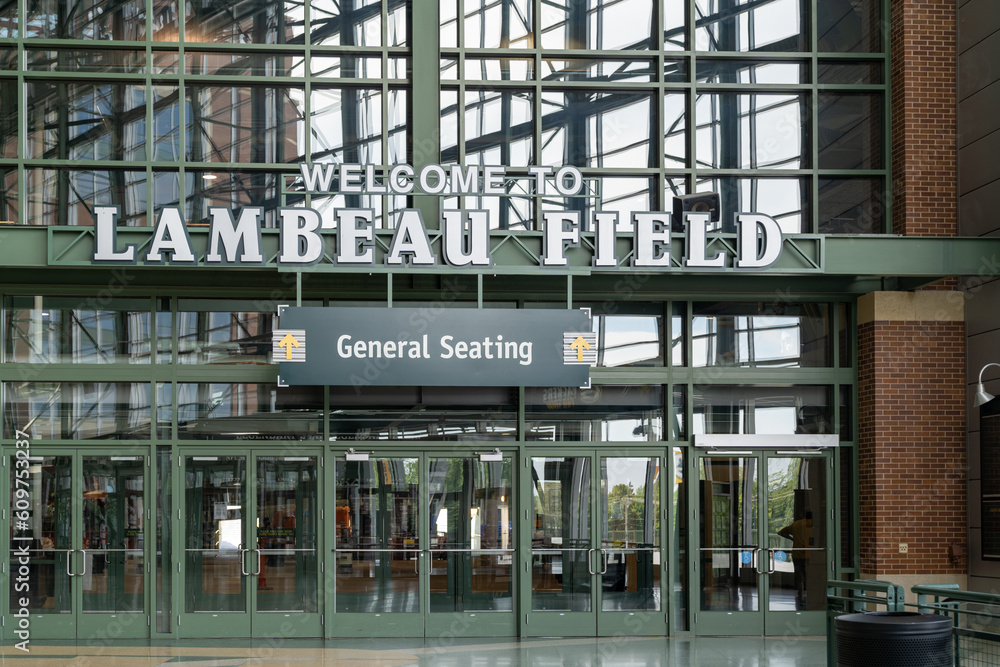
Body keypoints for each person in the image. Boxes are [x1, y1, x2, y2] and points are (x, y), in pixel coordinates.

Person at [778, 511, 813, 608]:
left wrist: (793, 539)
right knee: (810, 576)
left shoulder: (796, 524)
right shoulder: (814, 524)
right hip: (811, 554)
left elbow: (781, 532)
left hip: (797, 554)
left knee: (799, 576)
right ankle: (811, 597)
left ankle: (801, 597)